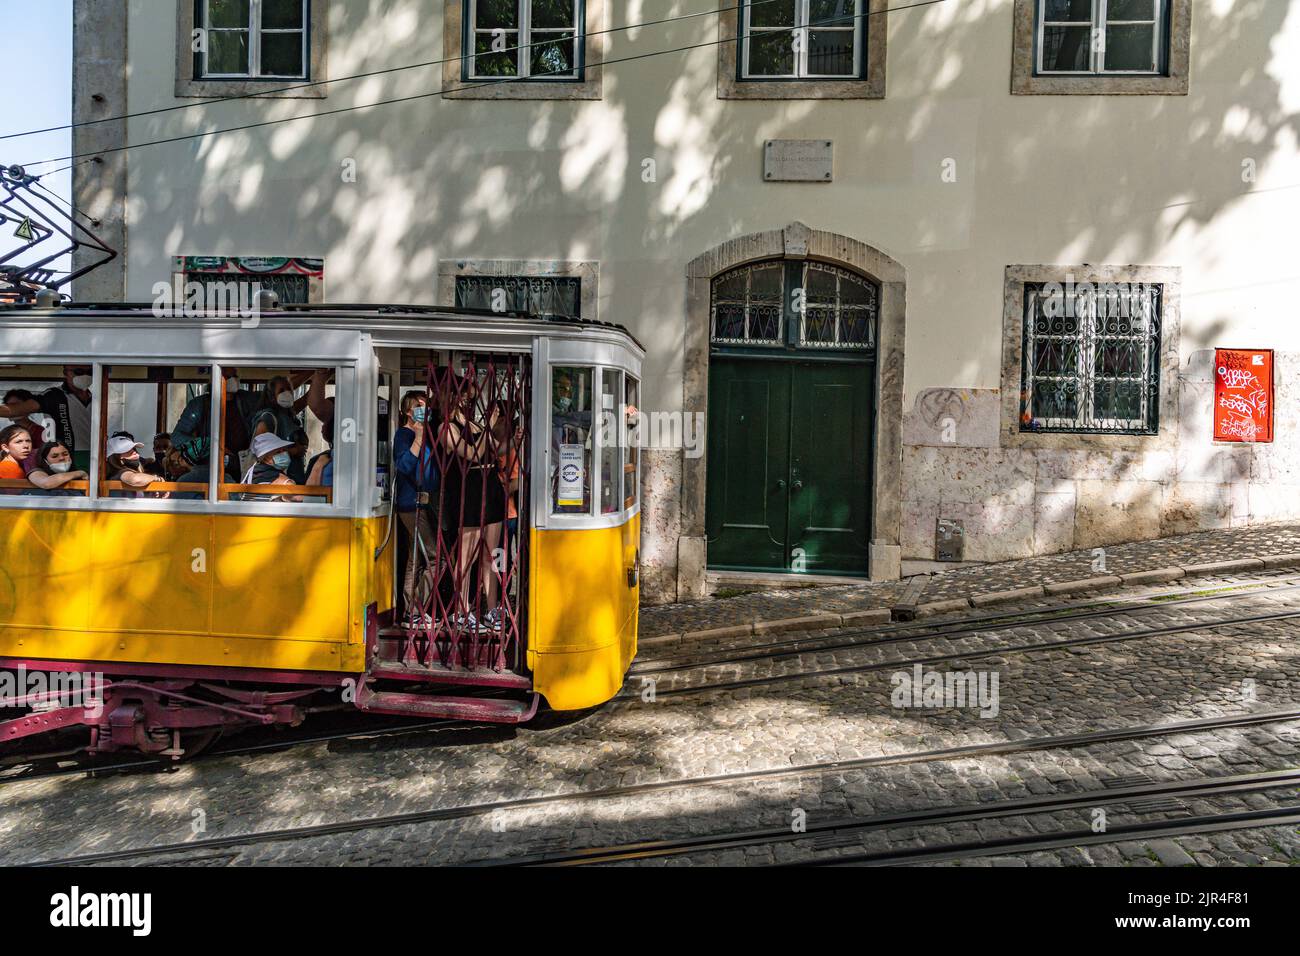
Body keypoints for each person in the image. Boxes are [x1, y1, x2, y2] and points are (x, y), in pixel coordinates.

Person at [438, 379, 507, 632]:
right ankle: (461, 610)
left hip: (490, 488)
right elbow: (472, 454)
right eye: (464, 396)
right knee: (466, 558)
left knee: (491, 554)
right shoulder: (446, 429)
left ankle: (491, 608)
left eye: (471, 397)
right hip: (468, 490)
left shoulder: (475, 424)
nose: (468, 401)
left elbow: (494, 450)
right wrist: (488, 428)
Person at [393, 391, 440, 626]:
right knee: (435, 557)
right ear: (408, 411)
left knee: (416, 558)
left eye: (426, 405)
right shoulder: (404, 435)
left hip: (424, 502)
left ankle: (410, 610)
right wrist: (418, 440)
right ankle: (415, 608)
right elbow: (403, 465)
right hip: (411, 504)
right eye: (419, 406)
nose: (424, 410)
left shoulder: (423, 435)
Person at [0, 366, 95, 472]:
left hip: (96, 454)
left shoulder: (99, 395)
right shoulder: (54, 395)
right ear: (65, 372)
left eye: (90, 372)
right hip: (64, 457)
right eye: (79, 371)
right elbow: (16, 409)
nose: (85, 376)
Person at [241, 432, 302, 502]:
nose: (284, 454)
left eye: (284, 450)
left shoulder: (254, 472)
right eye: (278, 452)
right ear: (265, 458)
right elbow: (297, 498)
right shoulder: (280, 479)